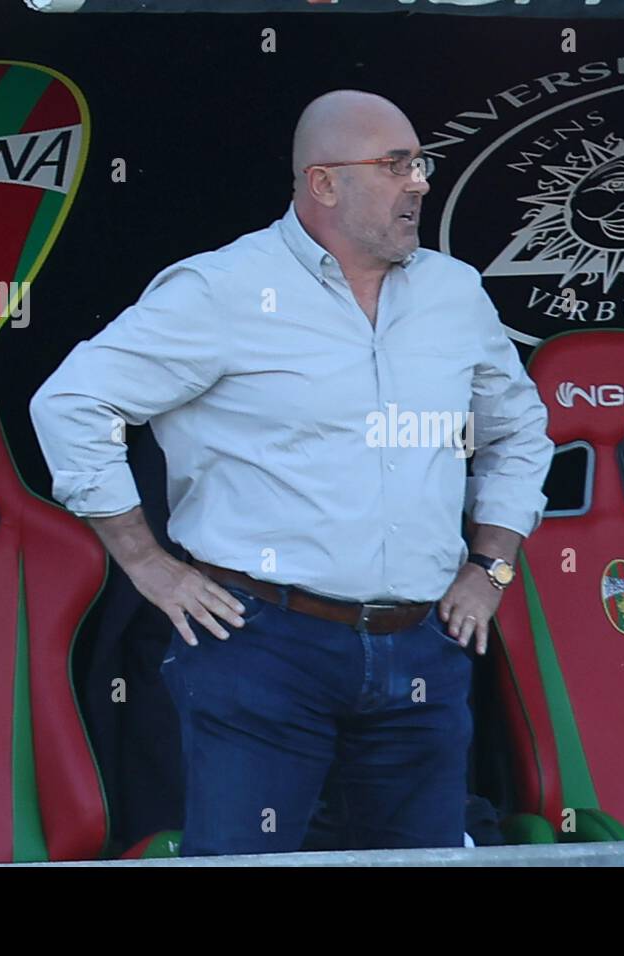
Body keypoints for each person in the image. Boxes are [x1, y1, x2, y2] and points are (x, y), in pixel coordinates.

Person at [29, 89, 551, 856]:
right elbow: (72, 403)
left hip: (421, 647)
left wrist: (491, 570)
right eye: (394, 164)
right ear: (324, 182)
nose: (419, 182)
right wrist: (148, 566)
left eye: (421, 163)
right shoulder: (221, 290)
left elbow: (520, 430)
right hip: (261, 644)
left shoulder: (452, 293)